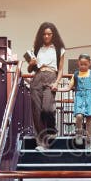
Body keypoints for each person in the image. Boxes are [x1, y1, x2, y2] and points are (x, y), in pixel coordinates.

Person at [27, 22, 66, 151]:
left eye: (49, 34)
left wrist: (56, 83)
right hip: (37, 78)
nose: (46, 36)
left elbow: (60, 70)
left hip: (51, 77)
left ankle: (52, 129)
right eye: (44, 34)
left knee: (47, 109)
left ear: (53, 34)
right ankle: (42, 144)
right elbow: (30, 68)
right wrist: (31, 63)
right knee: (37, 112)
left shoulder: (60, 49)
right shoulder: (36, 48)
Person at [58, 54, 91, 149]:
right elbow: (68, 87)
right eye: (81, 64)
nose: (83, 66)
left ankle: (89, 140)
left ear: (89, 63)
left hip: (90, 98)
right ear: (78, 63)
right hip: (80, 98)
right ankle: (78, 134)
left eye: (85, 64)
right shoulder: (76, 74)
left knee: (89, 120)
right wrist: (57, 89)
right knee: (79, 116)